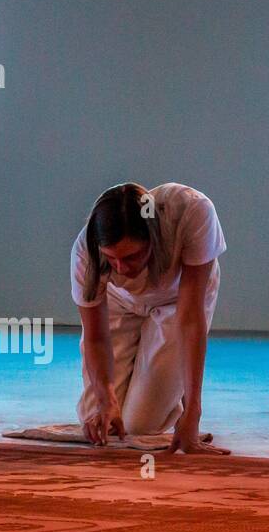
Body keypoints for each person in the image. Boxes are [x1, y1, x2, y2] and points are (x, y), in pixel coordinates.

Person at [71, 182, 228, 453]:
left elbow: (190, 320)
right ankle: (141, 392)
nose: (121, 267)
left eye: (131, 257)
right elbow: (96, 338)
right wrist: (106, 398)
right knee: (101, 420)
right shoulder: (85, 252)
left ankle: (170, 397)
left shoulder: (193, 212)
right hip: (120, 301)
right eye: (112, 258)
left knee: (140, 424)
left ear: (153, 238)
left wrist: (193, 413)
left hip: (176, 300)